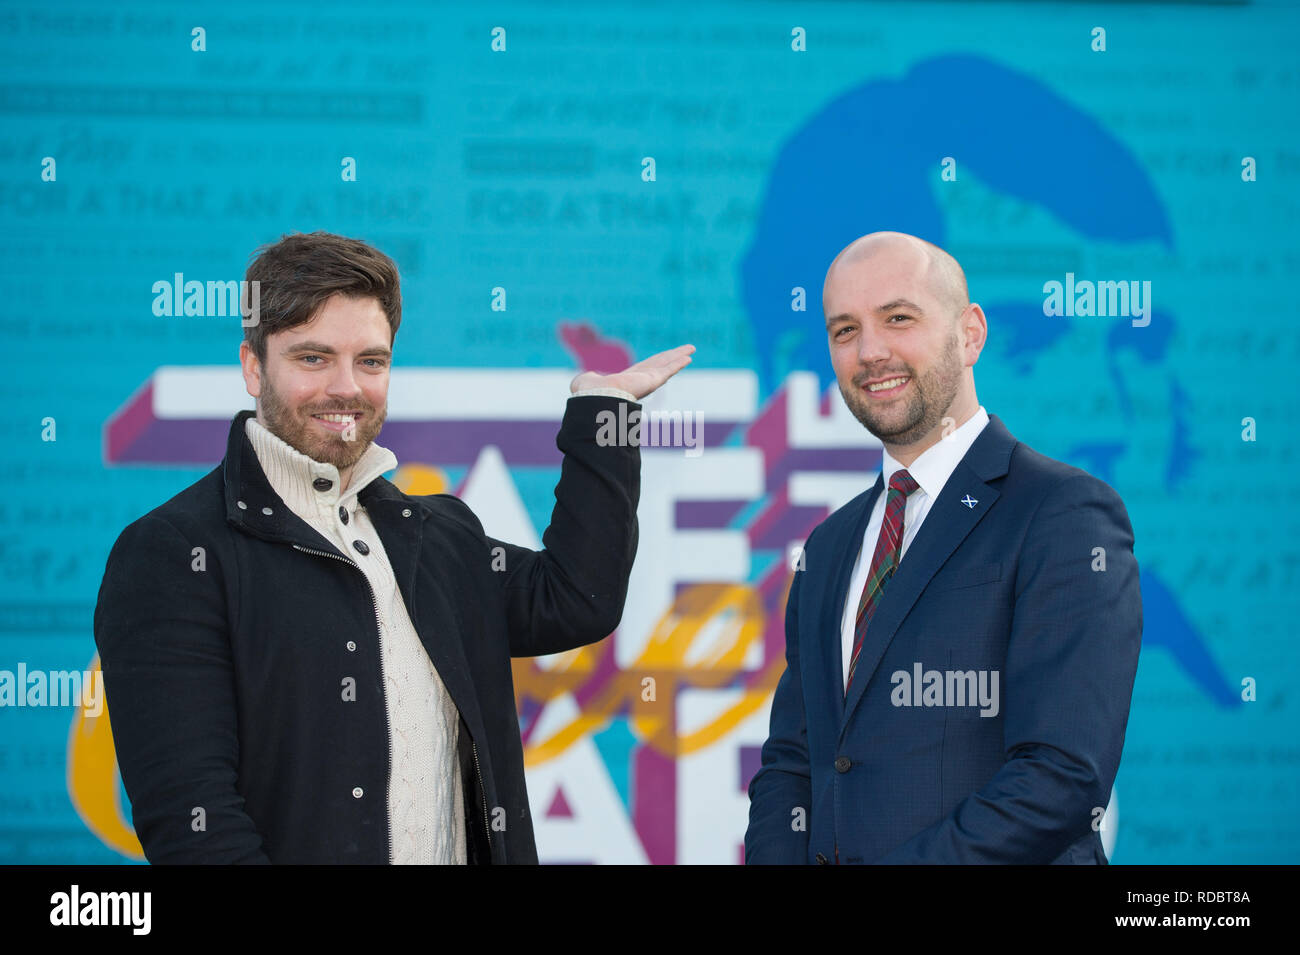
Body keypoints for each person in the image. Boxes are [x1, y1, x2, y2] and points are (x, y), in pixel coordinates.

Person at [94, 231, 694, 864]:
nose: (346, 388)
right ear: (252, 366)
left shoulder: (436, 538)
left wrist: (605, 411)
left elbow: (578, 598)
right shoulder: (174, 554)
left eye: (371, 361)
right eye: (313, 358)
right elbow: (197, 828)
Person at [744, 231, 1141, 864]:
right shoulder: (829, 545)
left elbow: (1062, 774)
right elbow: (795, 761)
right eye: (844, 331)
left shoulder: (1062, 513)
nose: (870, 352)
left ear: (970, 333)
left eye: (898, 318)